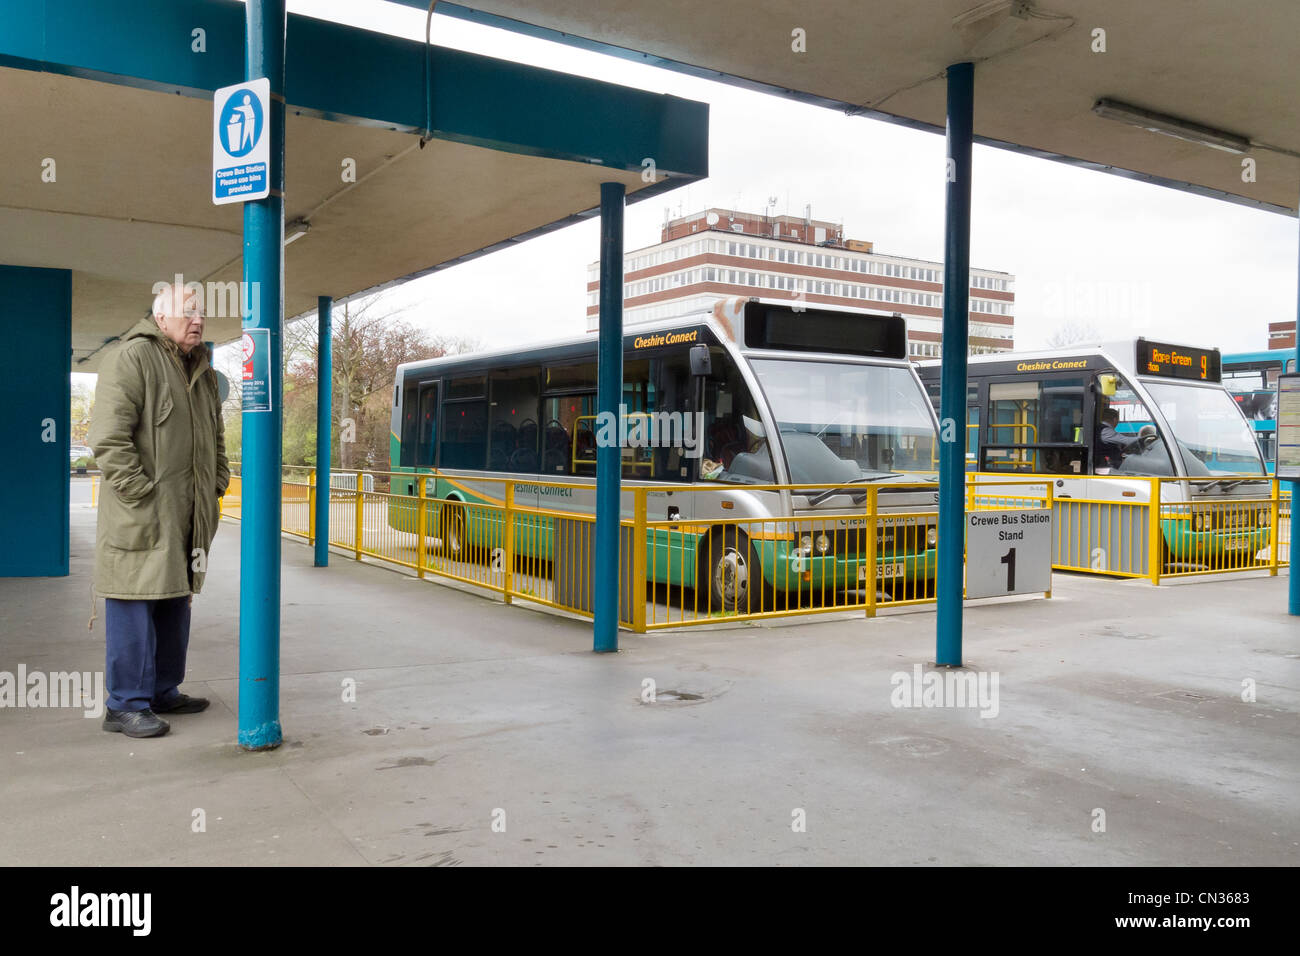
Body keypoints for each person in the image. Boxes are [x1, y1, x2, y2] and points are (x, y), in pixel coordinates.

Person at [88, 282, 229, 738]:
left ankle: (163, 690)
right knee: (133, 602)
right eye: (187, 313)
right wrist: (141, 494)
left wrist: (217, 482)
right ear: (161, 318)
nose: (198, 320)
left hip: (187, 514)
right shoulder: (132, 357)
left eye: (201, 313)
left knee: (175, 601)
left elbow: (218, 438)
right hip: (144, 513)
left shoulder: (203, 370)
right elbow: (108, 440)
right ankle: (124, 705)